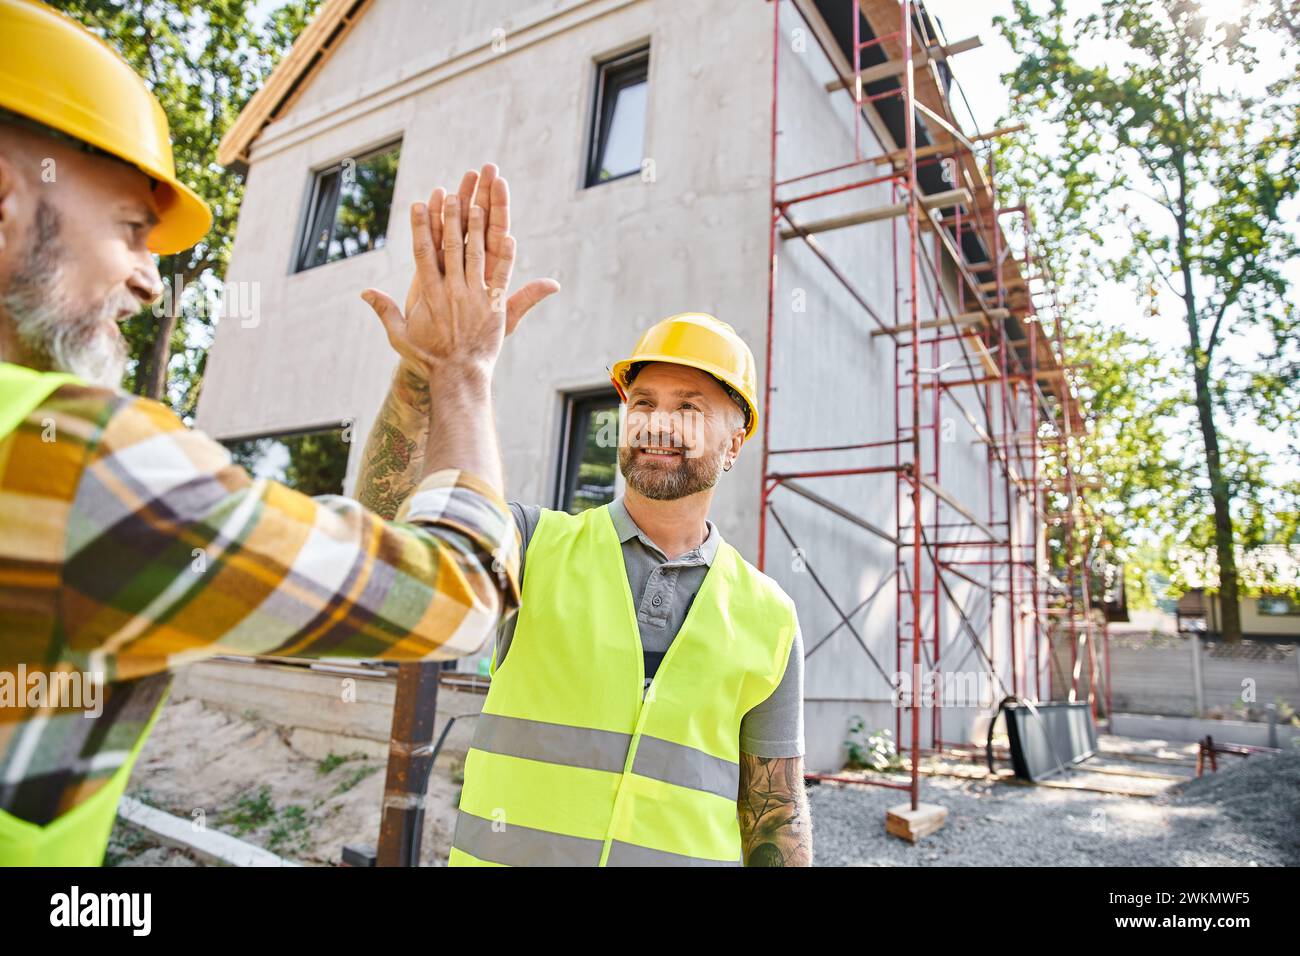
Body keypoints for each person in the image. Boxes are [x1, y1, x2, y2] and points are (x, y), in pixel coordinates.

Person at [0, 0, 552, 866]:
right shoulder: (80, 464)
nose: (151, 280)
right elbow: (455, 595)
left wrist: (416, 381)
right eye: (130, 231)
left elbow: (371, 536)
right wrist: (462, 373)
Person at [360, 303, 813, 866]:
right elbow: (384, 541)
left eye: (689, 408)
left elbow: (776, 812)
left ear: (735, 442)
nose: (658, 423)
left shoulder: (770, 615)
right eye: (643, 403)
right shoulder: (530, 546)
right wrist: (423, 373)